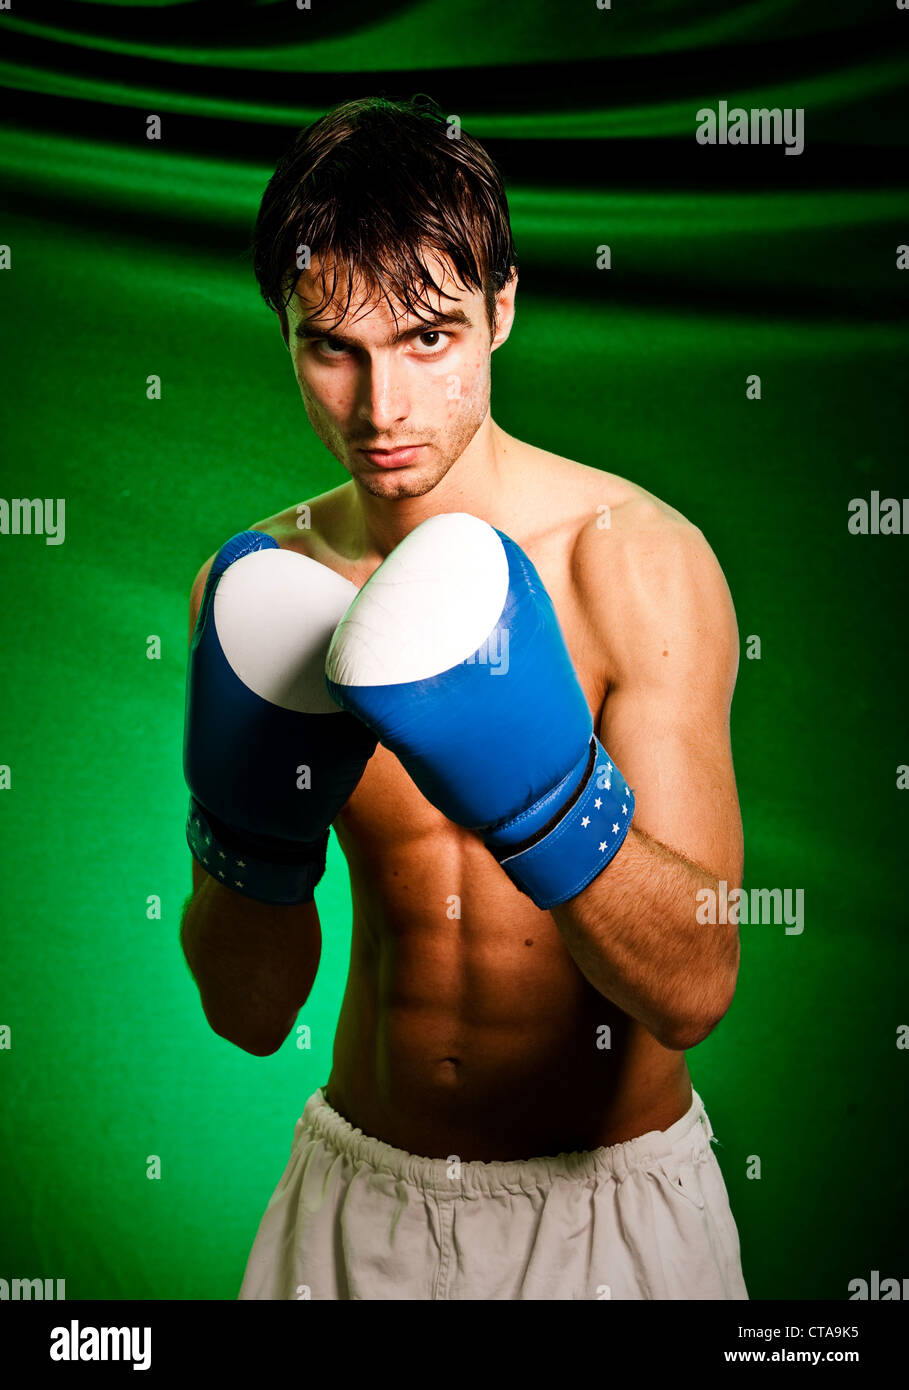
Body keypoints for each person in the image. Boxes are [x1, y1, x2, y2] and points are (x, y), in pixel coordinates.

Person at [180, 95, 748, 1301]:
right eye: (333, 345)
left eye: (428, 337)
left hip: (609, 1212)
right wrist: (248, 838)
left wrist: (546, 800)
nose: (381, 409)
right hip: (357, 1202)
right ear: (284, 333)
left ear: (502, 308)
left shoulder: (631, 562)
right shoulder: (261, 595)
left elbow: (697, 988)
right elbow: (247, 1010)